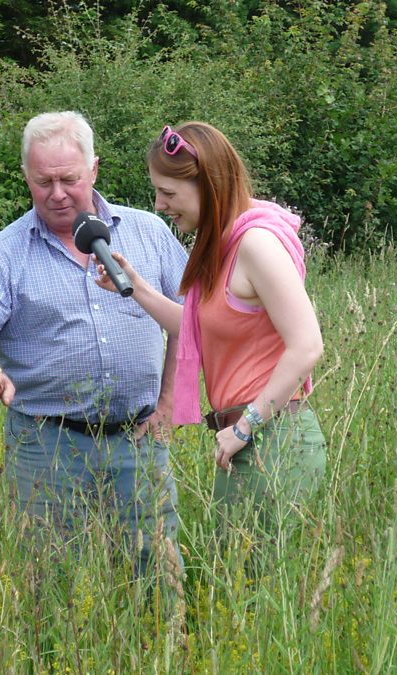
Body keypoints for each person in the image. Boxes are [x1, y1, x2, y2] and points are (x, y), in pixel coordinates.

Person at [0, 111, 189, 577]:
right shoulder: (3, 253)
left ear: (94, 169)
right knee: (53, 580)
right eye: (43, 181)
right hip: (46, 446)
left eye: (69, 179)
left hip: (139, 439)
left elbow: (191, 320)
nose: (57, 193)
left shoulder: (149, 232)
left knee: (156, 571)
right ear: (26, 177)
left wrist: (169, 401)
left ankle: (164, 649)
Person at [95, 121, 327, 557]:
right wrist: (137, 287)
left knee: (258, 596)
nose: (160, 205)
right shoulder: (221, 247)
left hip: (273, 439)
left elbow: (307, 345)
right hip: (248, 439)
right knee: (237, 590)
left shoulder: (255, 244)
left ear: (208, 184)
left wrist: (246, 426)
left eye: (169, 193)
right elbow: (197, 329)